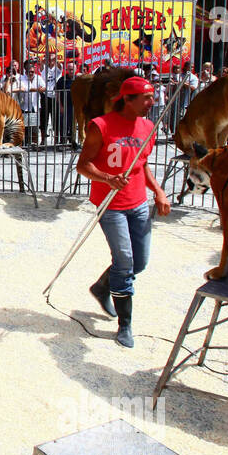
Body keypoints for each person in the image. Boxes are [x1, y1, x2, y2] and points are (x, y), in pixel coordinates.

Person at [75, 75, 172, 348]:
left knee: (139, 262)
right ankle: (125, 325)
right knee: (126, 260)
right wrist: (107, 178)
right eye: (147, 98)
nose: (152, 103)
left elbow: (141, 165)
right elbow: (83, 165)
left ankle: (102, 287)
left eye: (153, 98)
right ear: (127, 100)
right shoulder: (101, 126)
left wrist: (159, 191)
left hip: (139, 203)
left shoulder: (148, 127)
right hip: (111, 205)